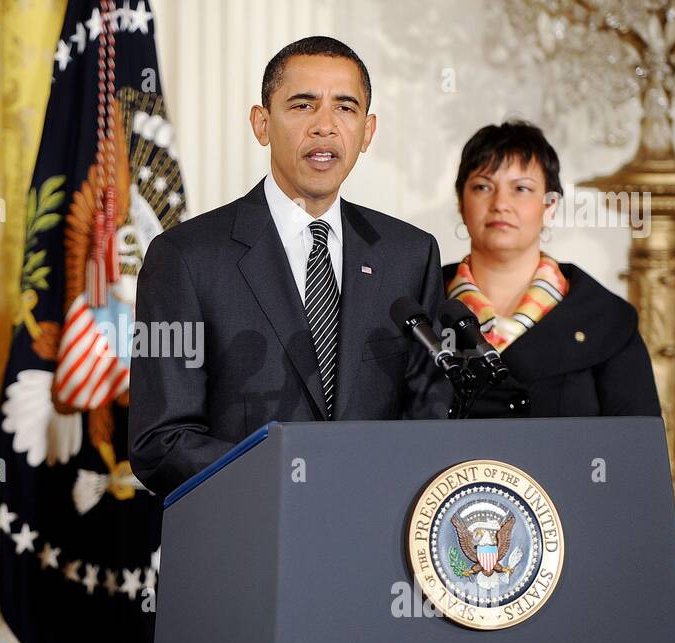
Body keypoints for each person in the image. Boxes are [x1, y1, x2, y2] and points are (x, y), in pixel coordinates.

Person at [130, 36, 448, 499]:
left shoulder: (409, 255)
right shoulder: (184, 258)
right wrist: (295, 478)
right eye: (302, 106)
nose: (325, 126)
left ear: (367, 131)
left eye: (345, 108)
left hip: (378, 540)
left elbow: (429, 416)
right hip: (250, 543)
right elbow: (159, 442)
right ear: (262, 124)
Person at [444, 120, 661, 418]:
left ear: (550, 206)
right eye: (482, 187)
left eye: (521, 189)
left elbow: (633, 452)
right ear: (461, 202)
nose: (500, 203)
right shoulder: (421, 309)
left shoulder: (606, 320)